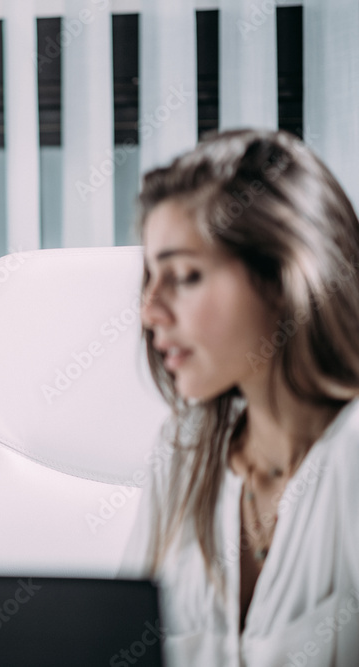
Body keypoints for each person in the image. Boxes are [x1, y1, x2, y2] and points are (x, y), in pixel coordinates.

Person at [121, 129, 359, 666]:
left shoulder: (351, 457)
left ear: (280, 276)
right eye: (150, 278)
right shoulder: (182, 451)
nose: (150, 311)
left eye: (184, 275)